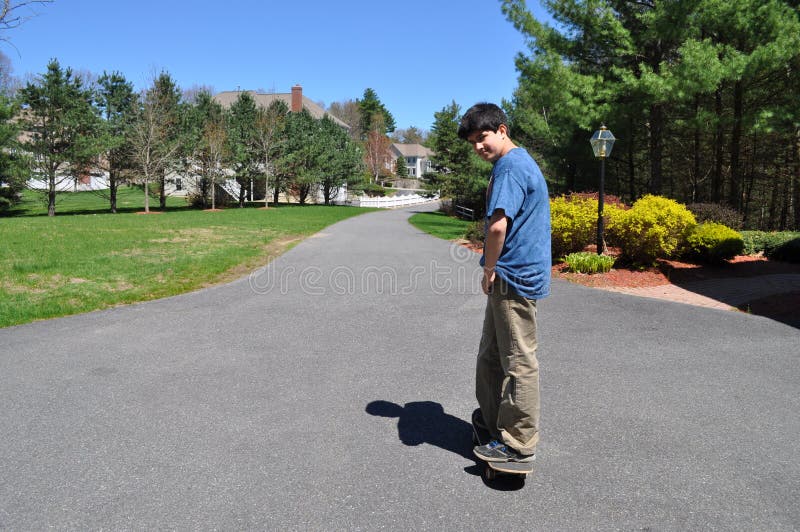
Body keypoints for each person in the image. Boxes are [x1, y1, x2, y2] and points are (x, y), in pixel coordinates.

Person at [457, 103, 551, 463]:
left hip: (512, 276)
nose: (478, 146)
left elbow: (498, 226)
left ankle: (517, 443)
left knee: (518, 361)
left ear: (502, 129)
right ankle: (494, 421)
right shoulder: (515, 163)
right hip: (511, 275)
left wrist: (488, 269)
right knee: (491, 356)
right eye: (472, 142)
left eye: (482, 138)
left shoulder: (510, 168)